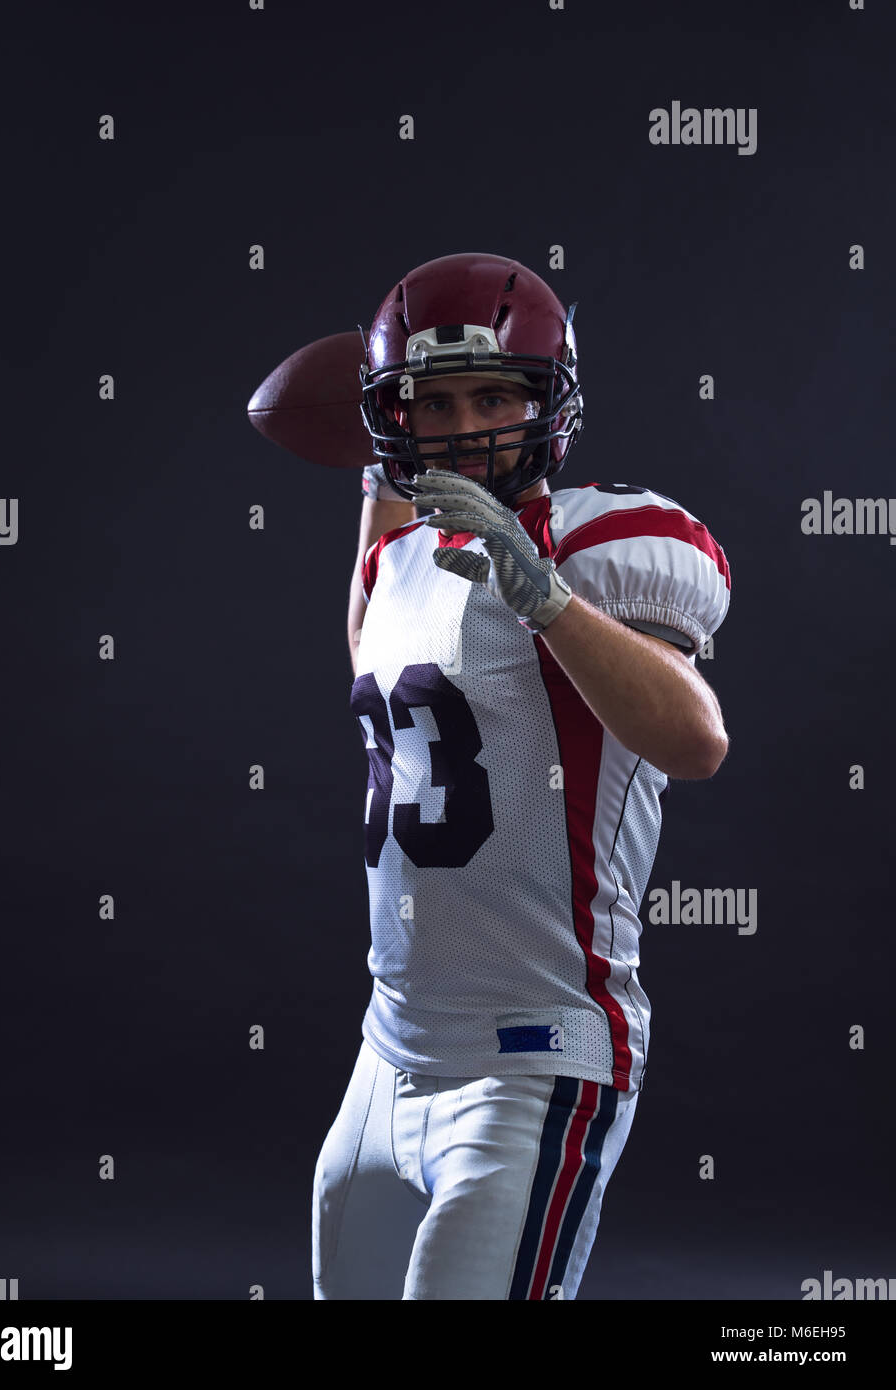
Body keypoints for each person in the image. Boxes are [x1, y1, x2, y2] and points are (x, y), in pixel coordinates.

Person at [313, 252, 731, 1300]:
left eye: (494, 394)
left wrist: (539, 590)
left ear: (550, 400)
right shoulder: (394, 555)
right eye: (433, 401)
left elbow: (696, 740)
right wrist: (378, 483)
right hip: (385, 1053)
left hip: (531, 1056)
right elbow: (371, 638)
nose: (463, 427)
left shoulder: (598, 540)